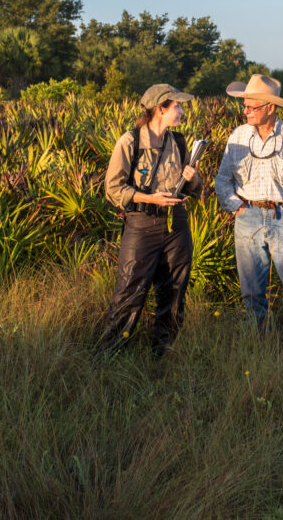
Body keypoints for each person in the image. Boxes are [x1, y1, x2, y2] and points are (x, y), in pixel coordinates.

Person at [214, 74, 283, 346]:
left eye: (252, 107)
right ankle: (256, 347)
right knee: (251, 293)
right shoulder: (237, 136)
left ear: (270, 108)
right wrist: (236, 206)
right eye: (245, 106)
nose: (246, 111)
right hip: (247, 218)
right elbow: (222, 179)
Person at [98, 83, 202, 358]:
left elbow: (192, 190)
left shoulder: (178, 142)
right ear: (160, 108)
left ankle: (163, 352)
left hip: (176, 224)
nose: (181, 111)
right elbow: (113, 189)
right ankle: (110, 353)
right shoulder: (130, 142)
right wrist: (150, 199)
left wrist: (192, 178)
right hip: (142, 224)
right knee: (131, 289)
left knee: (175, 289)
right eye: (177, 106)